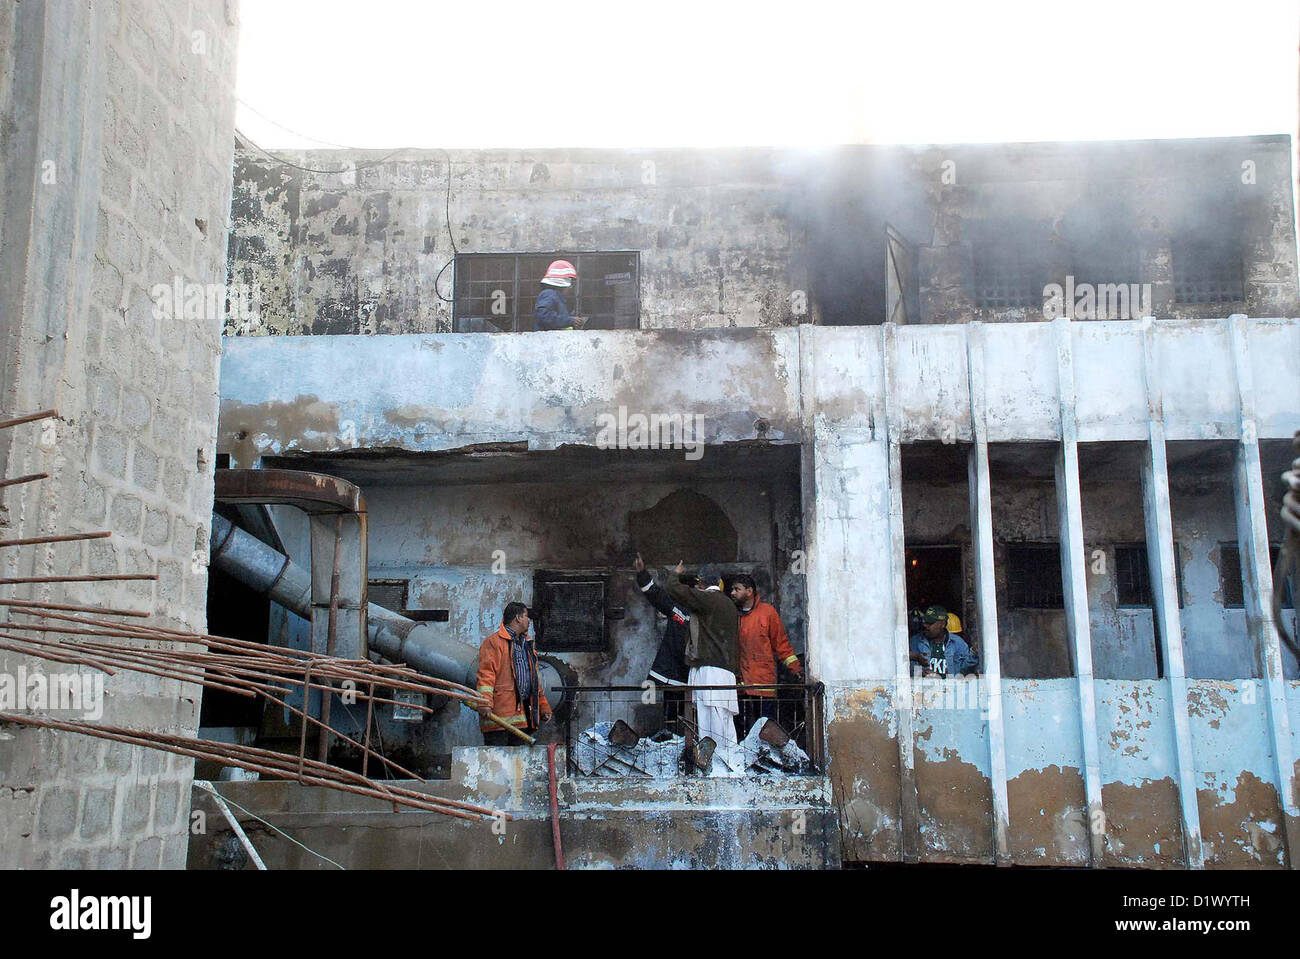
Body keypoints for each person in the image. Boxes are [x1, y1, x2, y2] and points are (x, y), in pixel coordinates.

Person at [661, 561, 742, 775]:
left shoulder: (708, 600)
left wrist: (675, 574)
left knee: (710, 721)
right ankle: (728, 763)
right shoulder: (728, 604)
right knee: (723, 720)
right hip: (724, 670)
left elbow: (672, 590)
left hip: (711, 670)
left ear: (702, 583)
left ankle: (715, 765)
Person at [728, 573, 802, 736]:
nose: (732, 593)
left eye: (736, 589)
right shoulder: (731, 614)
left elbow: (781, 643)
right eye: (732, 589)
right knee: (742, 731)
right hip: (741, 686)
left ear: (749, 591)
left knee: (766, 729)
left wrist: (795, 668)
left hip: (764, 684)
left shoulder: (767, 613)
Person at [475, 601, 551, 745]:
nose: (529, 620)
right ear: (518, 618)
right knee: (498, 763)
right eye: (526, 616)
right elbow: (486, 675)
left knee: (518, 764)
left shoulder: (526, 644)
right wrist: (484, 702)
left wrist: (543, 705)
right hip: (499, 720)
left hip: (523, 720)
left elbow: (533, 680)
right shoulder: (493, 643)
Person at [633, 552, 691, 734]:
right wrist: (642, 573)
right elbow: (655, 595)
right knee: (670, 718)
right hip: (673, 673)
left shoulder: (710, 612)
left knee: (696, 719)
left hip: (698, 674)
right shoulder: (678, 610)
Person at [908, 604, 978, 678]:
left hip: (950, 688)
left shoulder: (958, 643)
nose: (925, 625)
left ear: (942, 624)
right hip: (924, 688)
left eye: (930, 623)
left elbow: (965, 670)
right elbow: (906, 666)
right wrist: (921, 673)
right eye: (925, 622)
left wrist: (974, 652)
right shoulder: (915, 641)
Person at [534, 259, 584, 331]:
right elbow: (544, 316)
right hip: (549, 340)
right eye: (569, 284)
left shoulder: (556, 296)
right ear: (562, 284)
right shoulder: (549, 294)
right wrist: (570, 321)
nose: (570, 288)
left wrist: (571, 320)